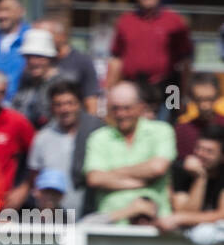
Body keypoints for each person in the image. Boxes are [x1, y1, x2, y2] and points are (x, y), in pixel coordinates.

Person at [108, 0, 192, 119]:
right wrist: (110, 92)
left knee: (170, 124)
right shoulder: (125, 21)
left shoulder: (175, 21)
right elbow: (116, 60)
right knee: (135, 125)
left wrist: (183, 96)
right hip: (135, 84)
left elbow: (185, 61)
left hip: (170, 85)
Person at [84, 81, 176, 218]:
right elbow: (95, 179)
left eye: (127, 108)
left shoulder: (162, 131)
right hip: (111, 222)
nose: (121, 114)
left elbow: (157, 168)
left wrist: (114, 173)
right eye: (115, 108)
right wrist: (142, 181)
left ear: (141, 107)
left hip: (156, 222)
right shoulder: (98, 137)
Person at [157, 123, 224, 245]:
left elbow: (222, 214)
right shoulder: (180, 170)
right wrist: (201, 178)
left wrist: (180, 218)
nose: (201, 155)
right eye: (199, 148)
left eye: (209, 151)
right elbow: (185, 210)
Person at [25, 79, 104, 217]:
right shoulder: (42, 138)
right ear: (52, 108)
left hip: (89, 214)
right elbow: (34, 177)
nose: (65, 109)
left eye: (70, 103)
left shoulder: (96, 134)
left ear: (79, 105)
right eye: (58, 104)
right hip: (53, 218)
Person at [31, 18, 99, 116]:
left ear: (61, 36)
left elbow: (91, 102)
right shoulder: (36, 64)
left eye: (45, 37)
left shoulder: (82, 61)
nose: (39, 42)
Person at [12, 28, 63, 129]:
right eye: (29, 57)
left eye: (39, 57)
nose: (33, 62)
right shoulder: (25, 80)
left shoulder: (62, 84)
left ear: (50, 58)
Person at [175, 71, 224, 159]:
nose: (204, 105)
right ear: (192, 98)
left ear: (218, 96)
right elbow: (180, 161)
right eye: (199, 99)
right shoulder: (183, 130)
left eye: (210, 99)